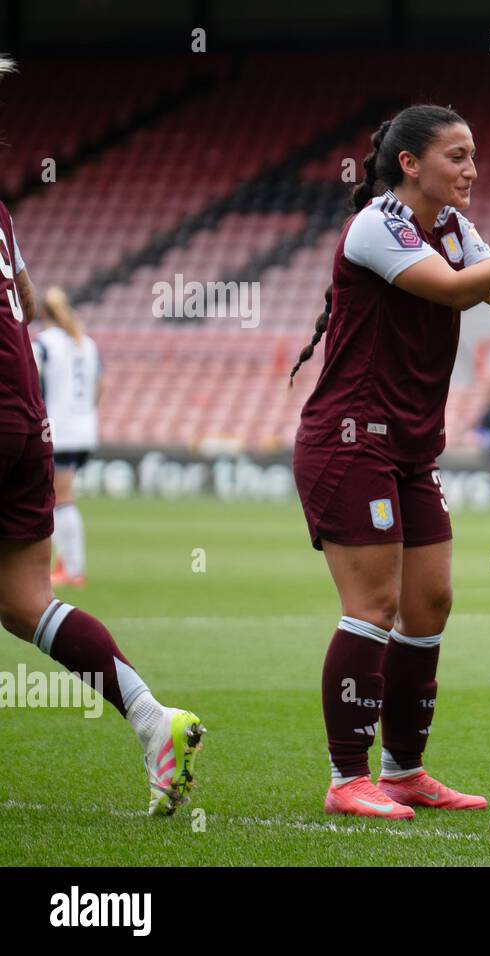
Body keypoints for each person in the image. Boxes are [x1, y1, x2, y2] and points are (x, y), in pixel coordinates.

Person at [289, 104, 490, 819]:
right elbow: (454, 290)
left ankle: (403, 771)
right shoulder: (380, 224)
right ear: (410, 163)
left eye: (473, 156)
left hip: (410, 444)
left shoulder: (453, 228)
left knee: (429, 602)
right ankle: (348, 778)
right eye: (457, 156)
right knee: (372, 605)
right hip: (351, 437)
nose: (472, 169)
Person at [0, 55, 204, 817]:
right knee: (26, 603)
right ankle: (156, 722)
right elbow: (21, 295)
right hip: (27, 417)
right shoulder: (3, 209)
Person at [32, 286, 101, 588]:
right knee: (59, 496)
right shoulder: (85, 342)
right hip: (84, 430)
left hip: (56, 430)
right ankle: (67, 562)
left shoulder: (44, 343)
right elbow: (100, 386)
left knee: (59, 498)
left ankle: (73, 568)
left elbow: (28, 382)